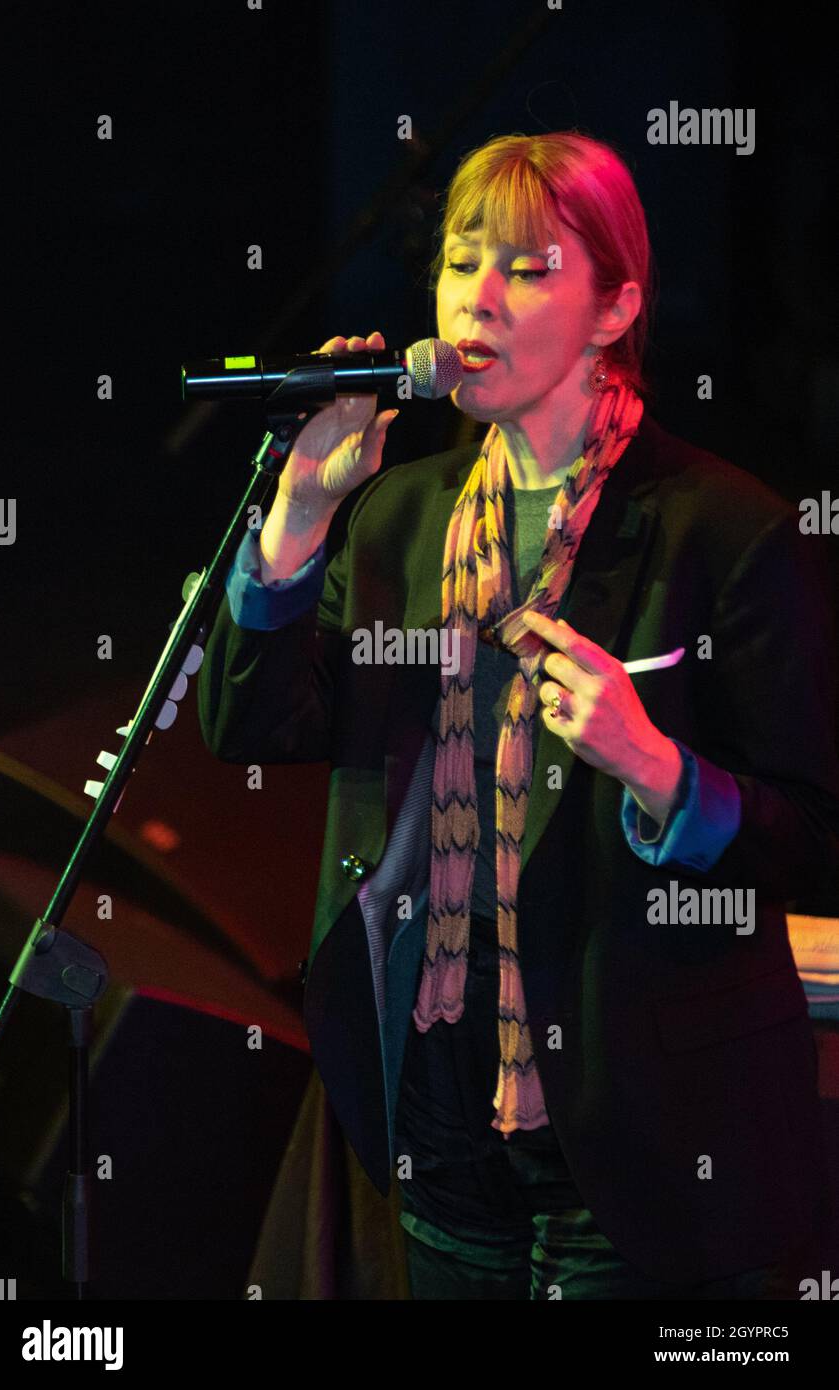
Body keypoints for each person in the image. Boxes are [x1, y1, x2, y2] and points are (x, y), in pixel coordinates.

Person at [197, 131, 839, 1300]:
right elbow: (252, 728)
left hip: (638, 1122)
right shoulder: (398, 516)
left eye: (529, 269)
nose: (475, 299)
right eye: (459, 262)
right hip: (435, 1110)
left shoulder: (724, 532)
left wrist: (660, 772)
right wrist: (296, 518)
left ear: (614, 309)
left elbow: (816, 832)